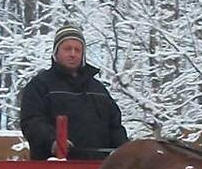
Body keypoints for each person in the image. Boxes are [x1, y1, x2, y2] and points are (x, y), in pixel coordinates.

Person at [18, 24, 129, 160]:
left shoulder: (98, 89)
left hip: (99, 167)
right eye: (67, 49)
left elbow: (115, 126)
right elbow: (32, 122)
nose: (73, 54)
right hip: (54, 165)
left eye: (77, 50)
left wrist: (125, 151)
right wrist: (53, 141)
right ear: (56, 52)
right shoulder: (40, 85)